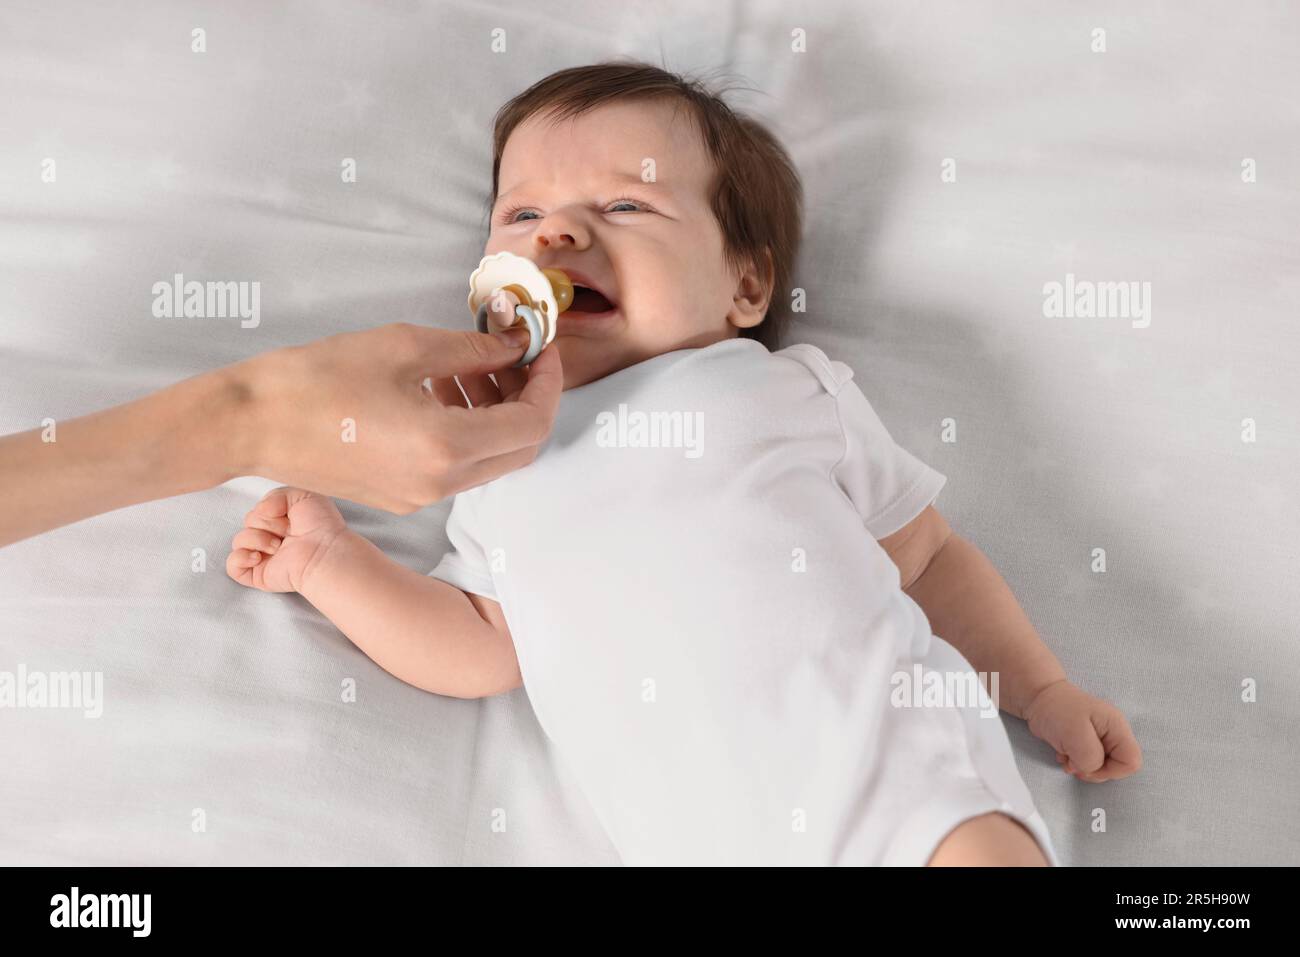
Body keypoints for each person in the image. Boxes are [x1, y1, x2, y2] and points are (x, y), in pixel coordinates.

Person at [0, 322, 561, 549]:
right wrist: (327, 562)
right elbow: (479, 640)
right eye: (522, 211)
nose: (554, 230)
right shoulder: (490, 458)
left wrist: (251, 415)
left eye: (627, 205)